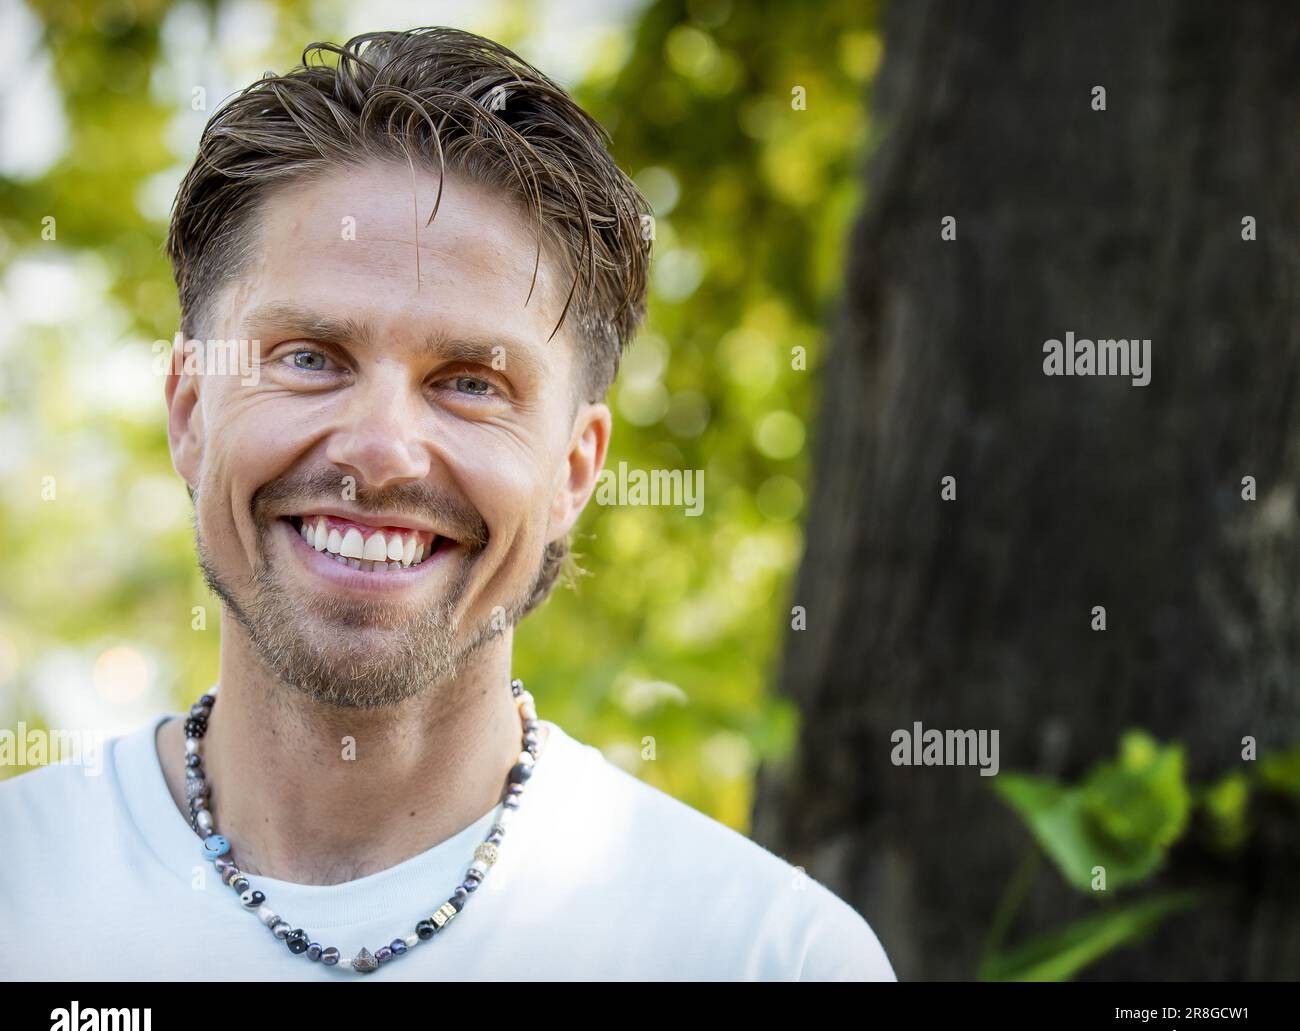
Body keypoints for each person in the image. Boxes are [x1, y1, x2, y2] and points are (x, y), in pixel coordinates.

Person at [0, 27, 895, 981]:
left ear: (574, 470)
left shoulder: (768, 956)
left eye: (471, 381)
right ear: (189, 409)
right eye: (309, 358)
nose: (380, 450)